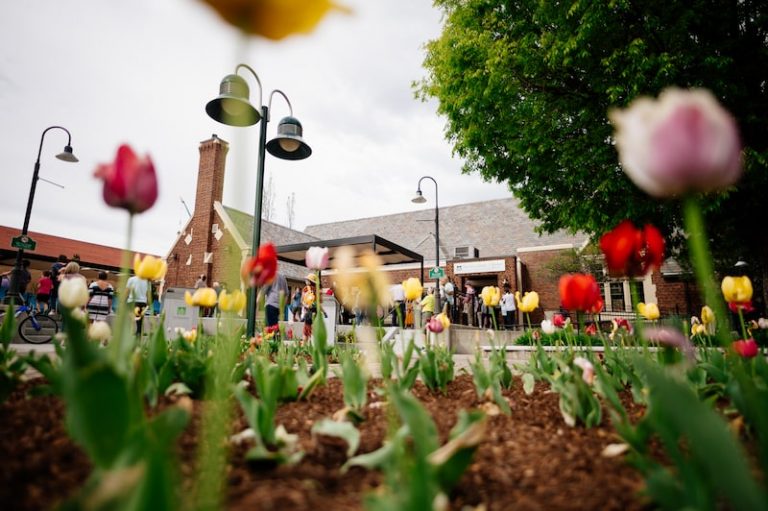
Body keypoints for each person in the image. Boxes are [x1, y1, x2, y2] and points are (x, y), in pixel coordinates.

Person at [126, 271, 149, 337]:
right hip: (142, 303)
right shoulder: (147, 281)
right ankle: (138, 338)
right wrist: (147, 304)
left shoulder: (131, 279)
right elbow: (148, 294)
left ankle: (128, 337)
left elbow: (127, 291)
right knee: (139, 322)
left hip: (132, 302)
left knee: (129, 320)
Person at [301, 274, 318, 341]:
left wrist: (306, 306)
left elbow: (302, 301)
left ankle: (306, 346)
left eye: (307, 280)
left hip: (310, 312)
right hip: (312, 312)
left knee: (307, 331)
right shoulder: (315, 290)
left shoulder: (307, 289)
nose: (306, 281)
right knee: (310, 330)